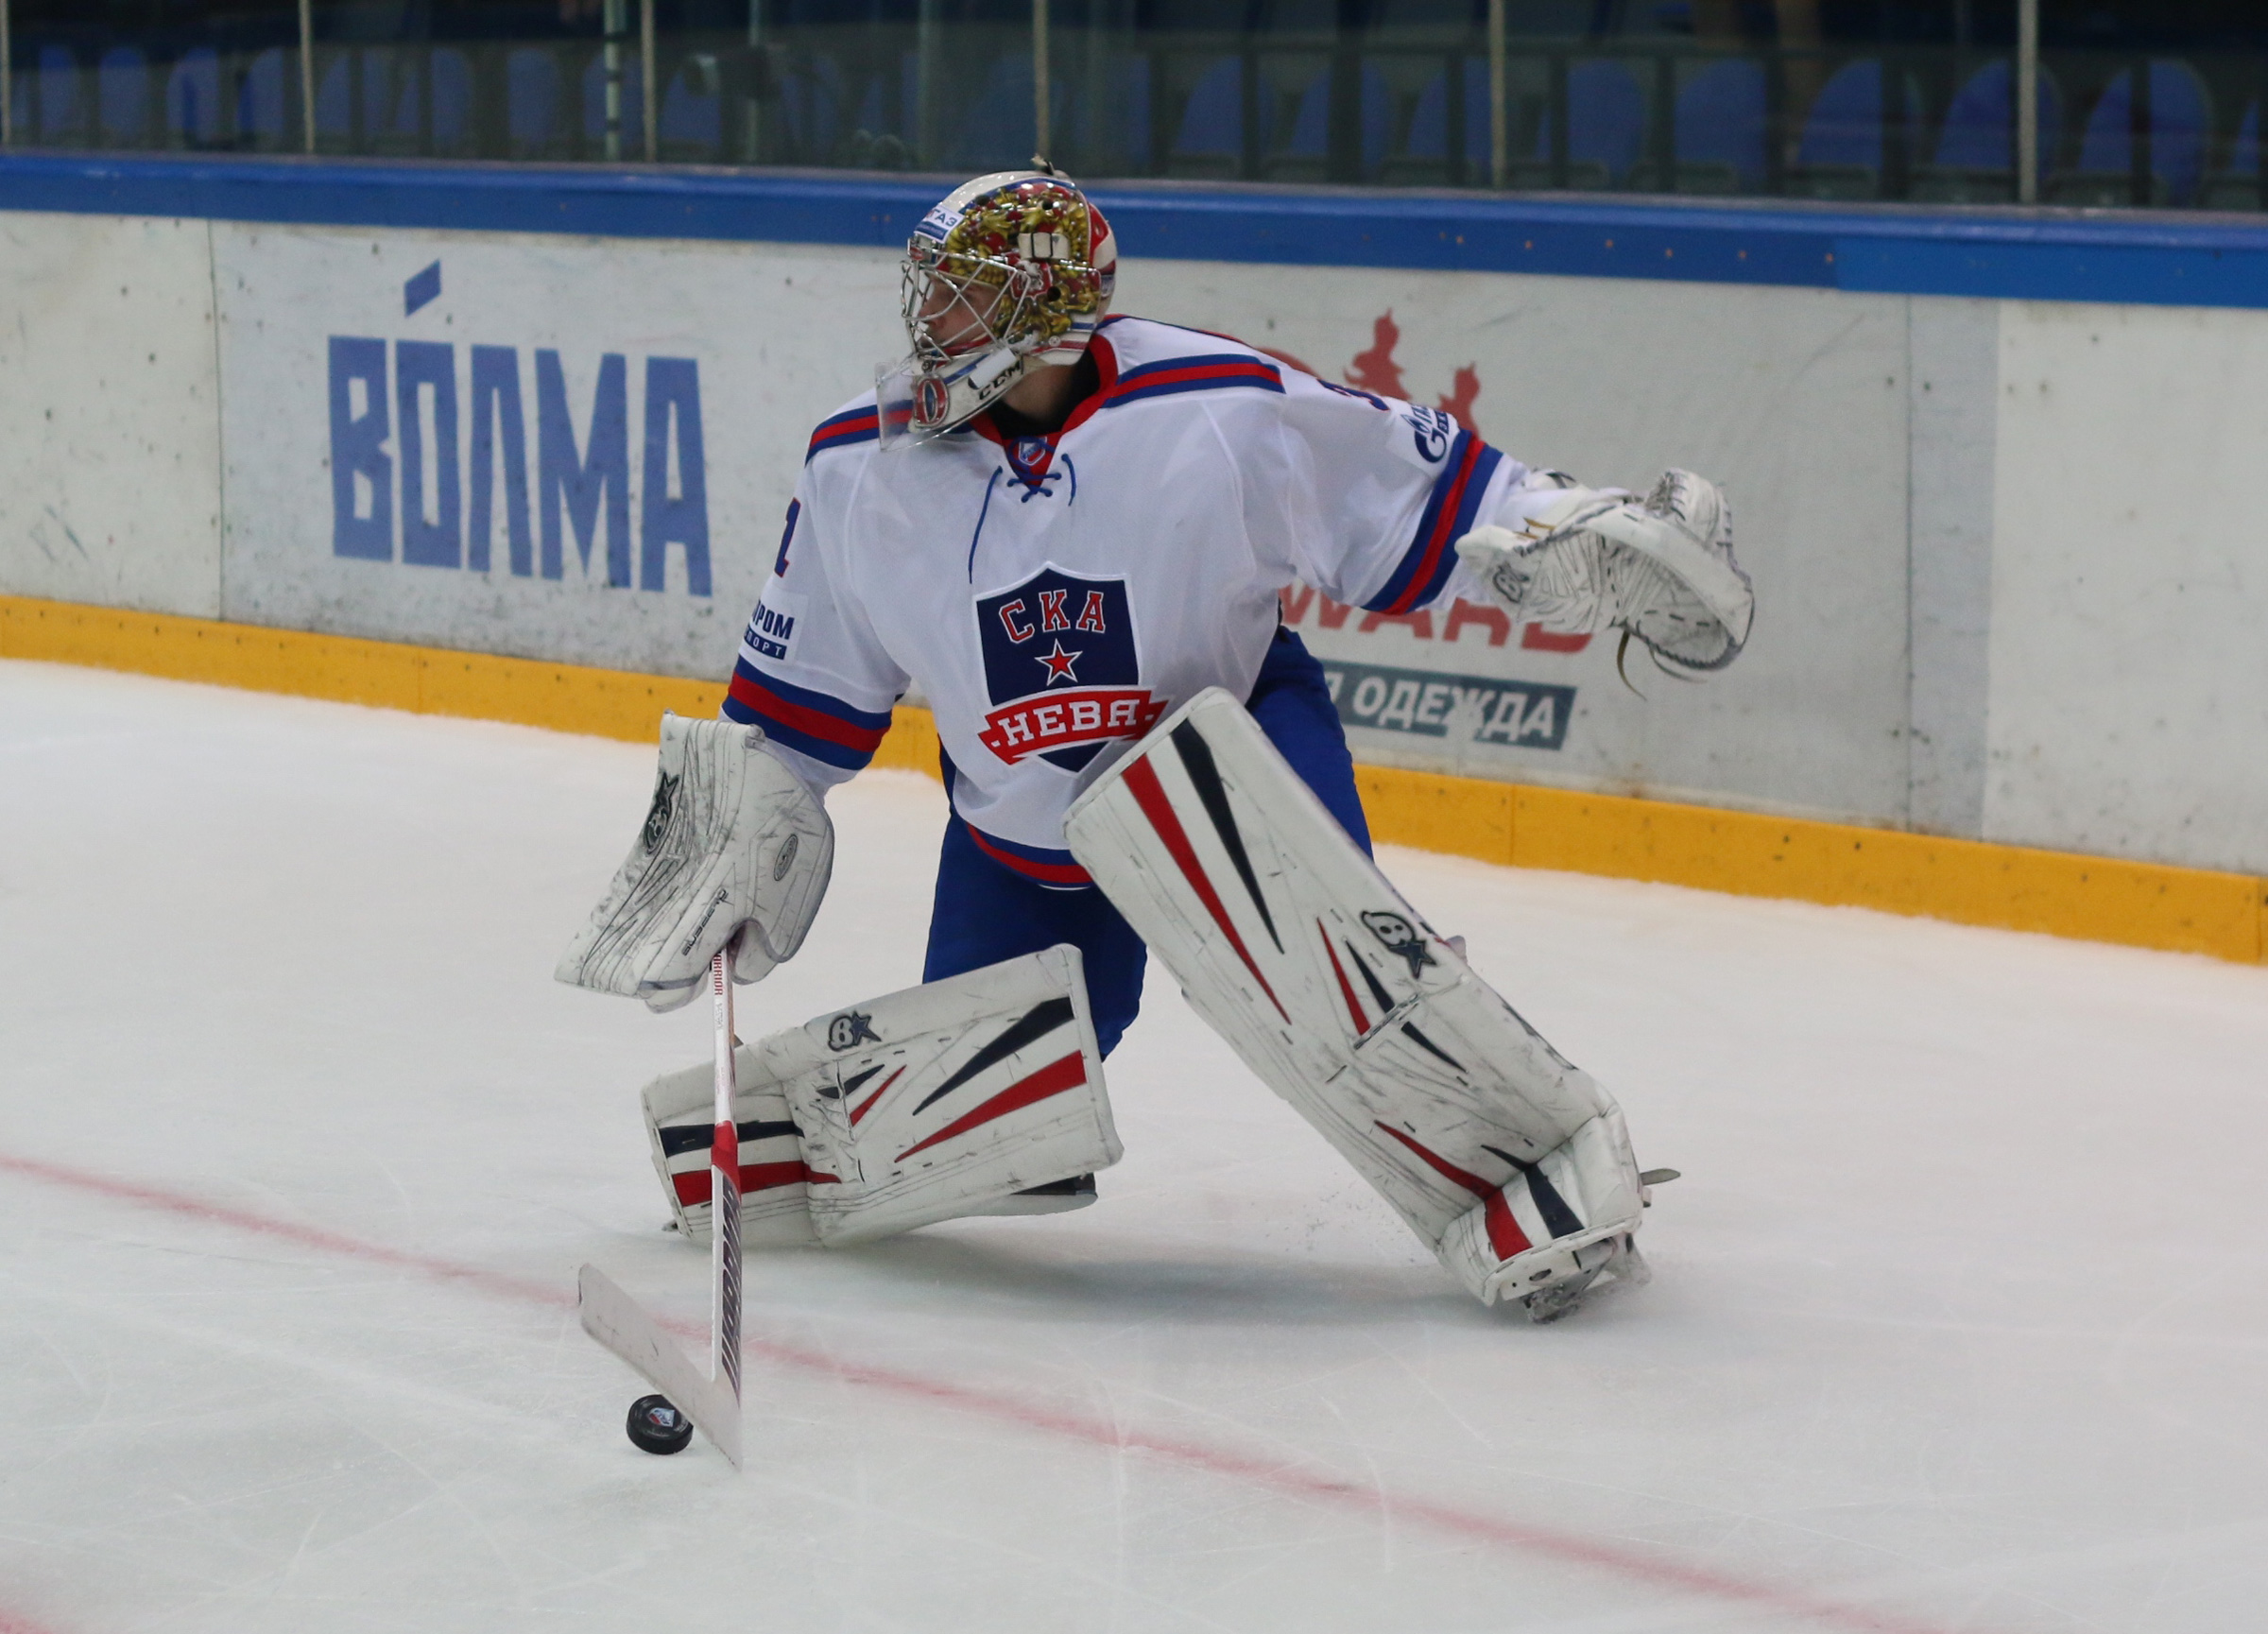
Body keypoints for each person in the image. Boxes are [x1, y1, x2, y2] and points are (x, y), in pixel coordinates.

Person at [715, 163, 1752, 1059]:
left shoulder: (1217, 406)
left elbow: (1425, 492)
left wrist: (1567, 533)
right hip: (1025, 819)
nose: (930, 322)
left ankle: (1495, 1133)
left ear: (1050, 309)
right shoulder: (860, 461)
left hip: (1233, 743)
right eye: (931, 291)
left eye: (967, 297)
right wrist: (741, 823)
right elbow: (801, 701)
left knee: (1344, 983)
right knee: (981, 1081)